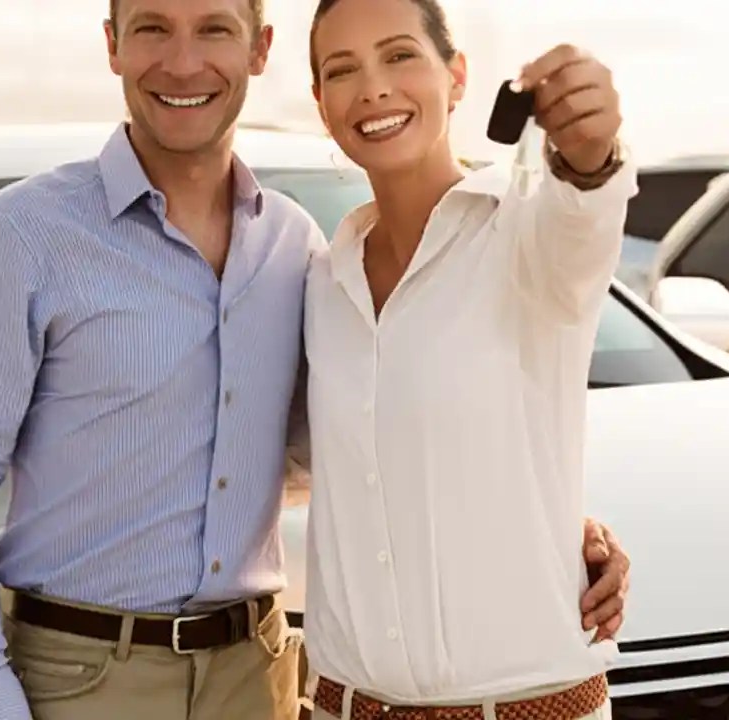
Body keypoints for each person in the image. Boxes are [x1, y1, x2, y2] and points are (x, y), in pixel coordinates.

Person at [0, 1, 630, 719]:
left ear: (259, 50)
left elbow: (353, 447)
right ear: (113, 44)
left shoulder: (300, 252)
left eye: (214, 28)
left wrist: (549, 523)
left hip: (258, 677)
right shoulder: (18, 237)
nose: (184, 62)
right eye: (153, 28)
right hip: (79, 682)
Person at [300, 1, 636, 719]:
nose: (373, 88)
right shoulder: (321, 285)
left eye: (399, 56)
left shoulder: (526, 236)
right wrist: (559, 523)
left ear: (457, 78)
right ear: (321, 104)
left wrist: (588, 152)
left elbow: (586, 212)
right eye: (342, 70)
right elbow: (318, 469)